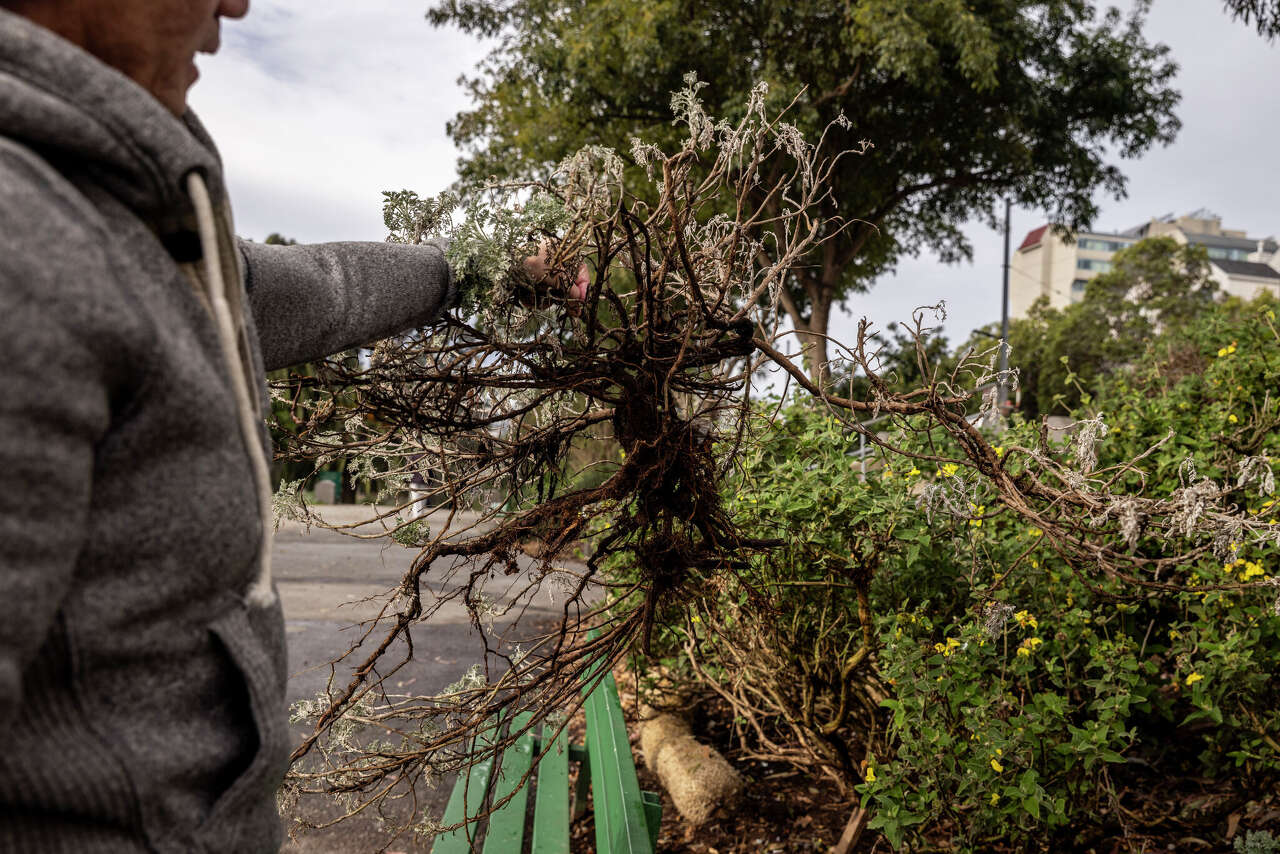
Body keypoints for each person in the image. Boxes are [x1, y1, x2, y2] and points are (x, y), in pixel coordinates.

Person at [0, 2, 583, 850]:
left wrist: (492, 271)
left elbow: (327, 285)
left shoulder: (143, 229)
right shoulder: (23, 243)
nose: (236, 3)